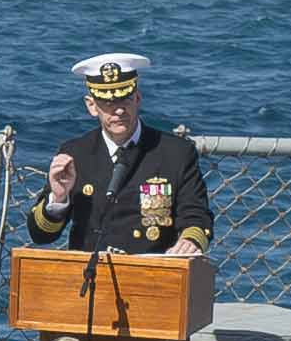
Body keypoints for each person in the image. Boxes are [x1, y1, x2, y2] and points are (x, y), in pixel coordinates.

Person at [26, 53, 211, 260]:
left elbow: (197, 217)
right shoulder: (76, 154)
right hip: (89, 277)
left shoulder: (175, 153)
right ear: (91, 106)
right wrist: (59, 198)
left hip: (155, 276)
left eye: (125, 98)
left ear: (138, 98)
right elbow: (41, 236)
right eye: (108, 102)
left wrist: (189, 242)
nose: (119, 110)